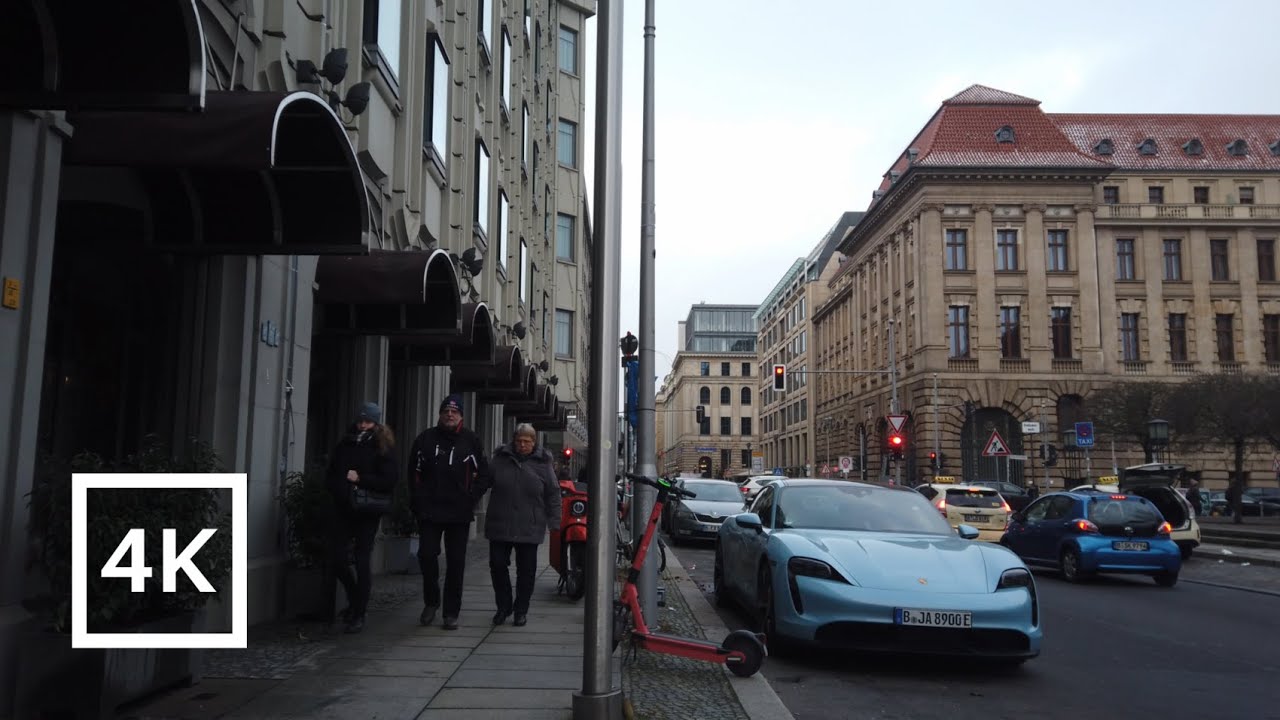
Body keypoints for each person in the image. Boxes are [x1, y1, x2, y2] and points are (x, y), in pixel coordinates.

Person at [408, 394, 489, 630]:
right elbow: (413, 472)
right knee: (426, 555)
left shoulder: (470, 440)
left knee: (456, 563)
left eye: (454, 411)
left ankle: (451, 612)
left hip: (458, 513)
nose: (450, 415)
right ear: (440, 414)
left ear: (461, 415)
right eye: (446, 411)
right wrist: (417, 501)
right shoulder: (425, 439)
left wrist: (471, 498)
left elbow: (484, 474)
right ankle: (431, 601)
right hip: (430, 510)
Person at [325, 402, 398, 634]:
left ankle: (359, 612)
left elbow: (388, 480)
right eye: (361, 420)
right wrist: (338, 488)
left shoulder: (382, 446)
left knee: (362, 558)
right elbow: (333, 472)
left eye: (368, 421)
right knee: (336, 558)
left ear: (376, 422)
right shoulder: (346, 442)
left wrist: (360, 479)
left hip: (367, 511)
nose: (363, 425)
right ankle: (355, 598)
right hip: (343, 507)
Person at [483, 424, 561, 627]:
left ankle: (521, 610)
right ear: (513, 440)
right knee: (497, 565)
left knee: (526, 571)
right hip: (500, 523)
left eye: (527, 441)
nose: (522, 445)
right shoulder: (500, 459)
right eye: (519, 440)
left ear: (534, 442)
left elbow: (553, 493)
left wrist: (555, 520)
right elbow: (483, 482)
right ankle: (503, 606)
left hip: (530, 525)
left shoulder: (543, 464)